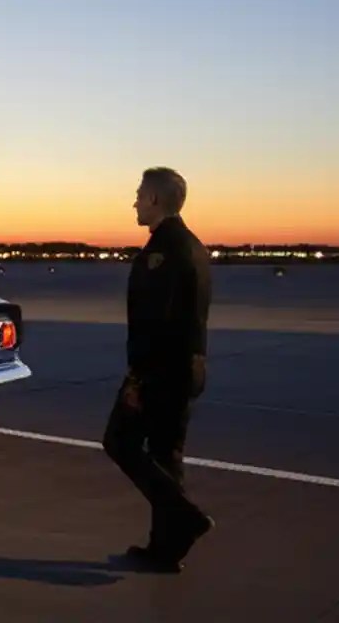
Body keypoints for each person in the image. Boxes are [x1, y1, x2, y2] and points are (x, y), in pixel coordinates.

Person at [103, 166, 214, 572]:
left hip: (160, 371)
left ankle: (185, 517)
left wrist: (137, 378)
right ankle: (165, 549)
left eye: (138, 194)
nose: (134, 201)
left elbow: (155, 321)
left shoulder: (161, 253)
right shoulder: (194, 246)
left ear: (154, 199)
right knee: (166, 456)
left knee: (119, 441)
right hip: (189, 367)